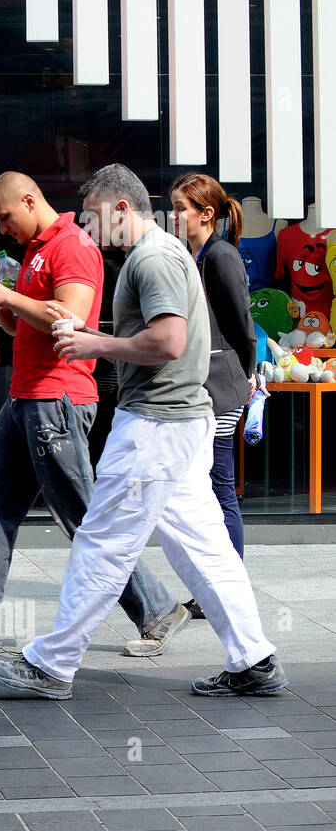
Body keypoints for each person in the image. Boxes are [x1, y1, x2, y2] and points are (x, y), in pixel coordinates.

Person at [0, 163, 286, 700]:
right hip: (178, 422)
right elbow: (161, 338)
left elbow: (167, 341)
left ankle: (52, 665)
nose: (91, 229)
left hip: (155, 425)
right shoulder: (163, 254)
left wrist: (97, 346)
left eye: (96, 217)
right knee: (203, 547)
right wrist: (97, 335)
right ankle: (255, 659)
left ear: (122, 208)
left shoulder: (153, 258)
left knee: (103, 542)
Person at [0, 172, 187, 655]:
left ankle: (157, 608)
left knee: (83, 515)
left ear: (29, 200)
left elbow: (71, 317)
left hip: (57, 398)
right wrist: (1, 300)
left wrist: (9, 296)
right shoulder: (35, 250)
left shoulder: (72, 245)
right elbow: (22, 322)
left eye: (6, 217)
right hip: (28, 396)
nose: (3, 228)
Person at [170, 172, 256, 564]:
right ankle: (217, 579)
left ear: (206, 214)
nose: (173, 216)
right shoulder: (196, 256)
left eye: (179, 209)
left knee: (219, 484)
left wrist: (249, 373)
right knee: (206, 485)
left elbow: (241, 323)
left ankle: (229, 580)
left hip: (223, 385)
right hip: (207, 384)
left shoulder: (221, 256)